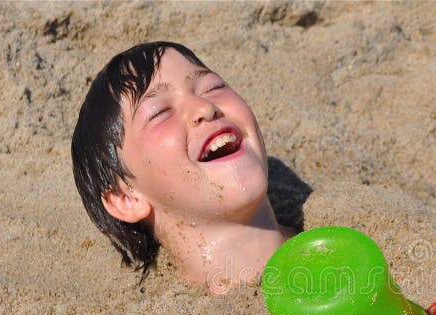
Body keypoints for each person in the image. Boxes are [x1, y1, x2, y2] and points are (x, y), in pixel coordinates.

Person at [71, 42, 290, 294]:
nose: (205, 108)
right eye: (160, 112)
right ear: (126, 198)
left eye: (213, 87)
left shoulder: (342, 229)